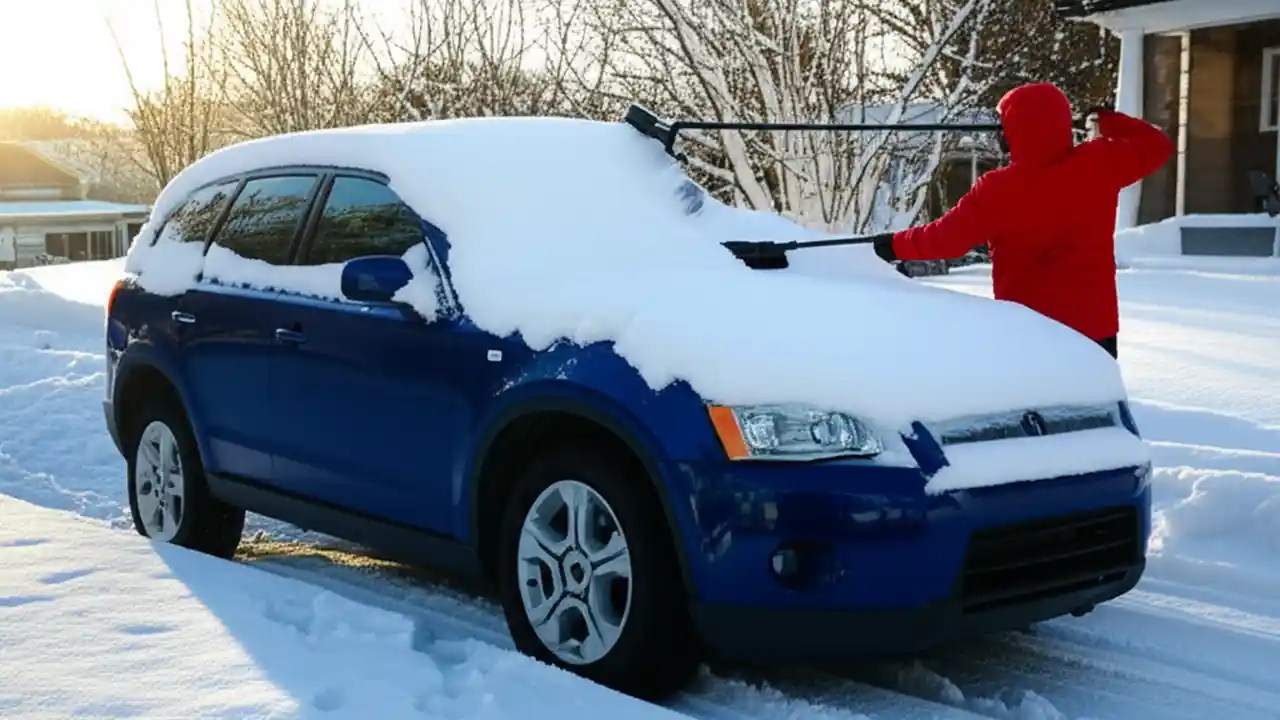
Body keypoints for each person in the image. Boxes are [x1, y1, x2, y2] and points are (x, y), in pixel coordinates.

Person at [867, 82, 1174, 359]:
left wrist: (894, 245)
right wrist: (1106, 120)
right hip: (1096, 328)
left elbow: (945, 239)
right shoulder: (1100, 163)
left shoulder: (998, 189)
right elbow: (1157, 145)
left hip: (1029, 327)